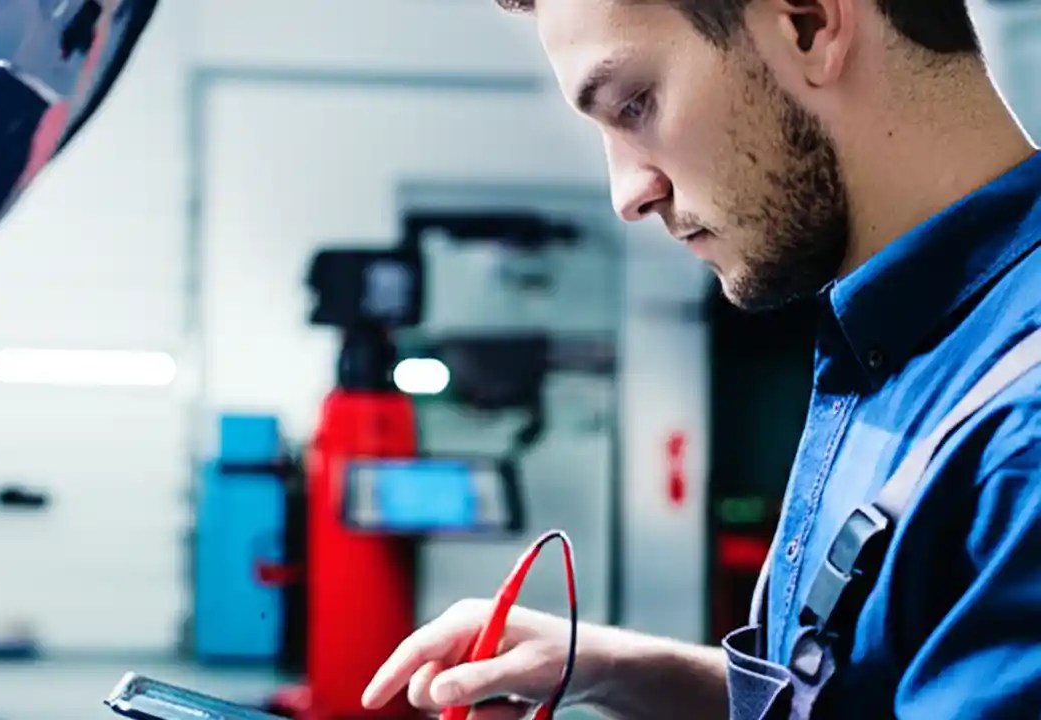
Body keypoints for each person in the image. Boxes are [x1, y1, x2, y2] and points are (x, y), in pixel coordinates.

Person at [360, 0, 1041, 718]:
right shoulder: (905, 343)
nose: (628, 195)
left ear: (809, 24)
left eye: (635, 103)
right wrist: (621, 669)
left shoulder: (1021, 437)